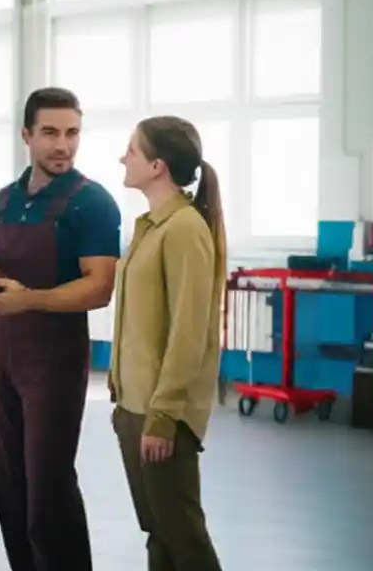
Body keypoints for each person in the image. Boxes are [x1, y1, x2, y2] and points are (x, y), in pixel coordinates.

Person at [0, 86, 121, 571]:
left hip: (53, 360)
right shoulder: (6, 199)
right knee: (7, 479)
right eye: (51, 133)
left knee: (48, 486)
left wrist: (29, 299)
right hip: (1, 352)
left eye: (72, 133)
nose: (63, 145)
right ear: (26, 135)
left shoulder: (92, 202)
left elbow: (99, 288)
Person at [109, 115, 226, 571]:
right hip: (135, 406)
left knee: (184, 538)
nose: (124, 157)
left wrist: (162, 416)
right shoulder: (153, 226)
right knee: (160, 535)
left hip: (162, 414)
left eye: (132, 150)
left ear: (157, 166)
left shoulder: (183, 230)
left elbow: (189, 333)